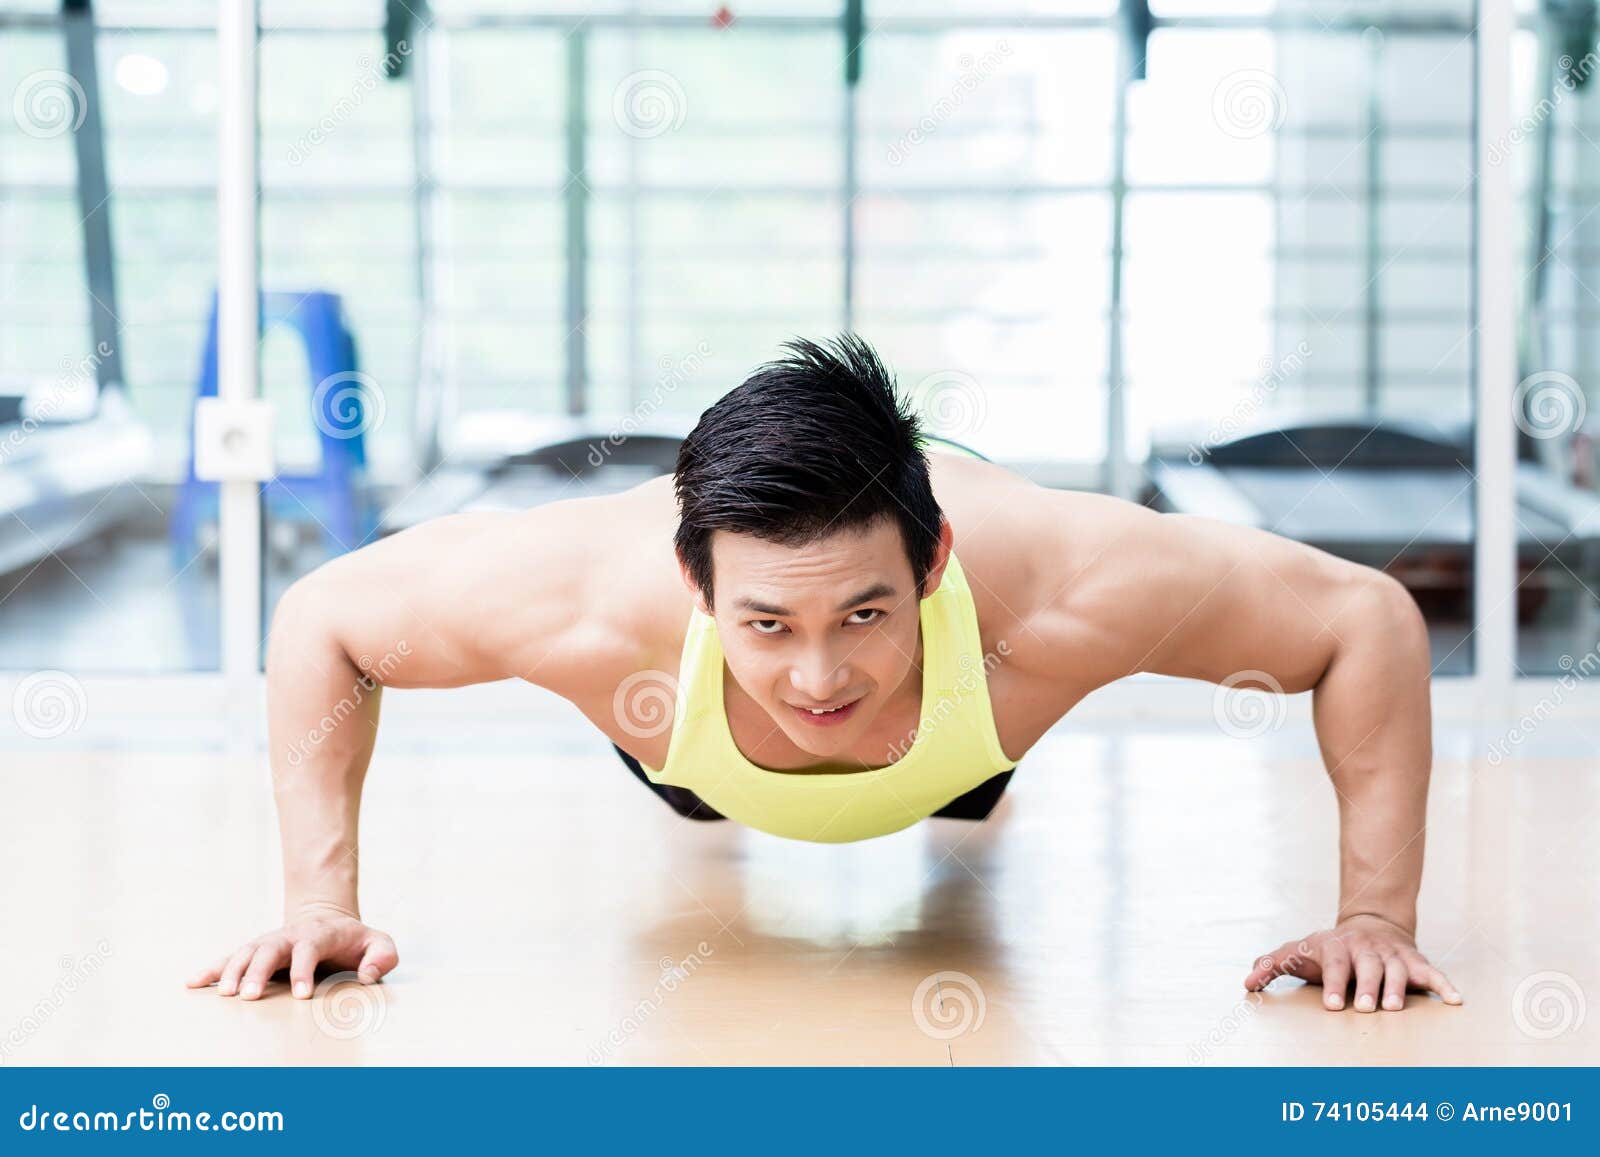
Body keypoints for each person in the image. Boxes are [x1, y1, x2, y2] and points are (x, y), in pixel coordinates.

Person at [187, 334, 1463, 1016]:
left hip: (967, 727)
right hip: (686, 747)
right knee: (702, 783)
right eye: (766, 624)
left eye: (864, 610)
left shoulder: (1066, 587)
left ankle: (963, 763)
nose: (817, 674)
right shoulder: (588, 599)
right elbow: (322, 621)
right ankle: (731, 739)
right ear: (694, 587)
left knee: (966, 784)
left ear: (933, 559)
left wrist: (1375, 918)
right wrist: (319, 901)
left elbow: (1365, 619)